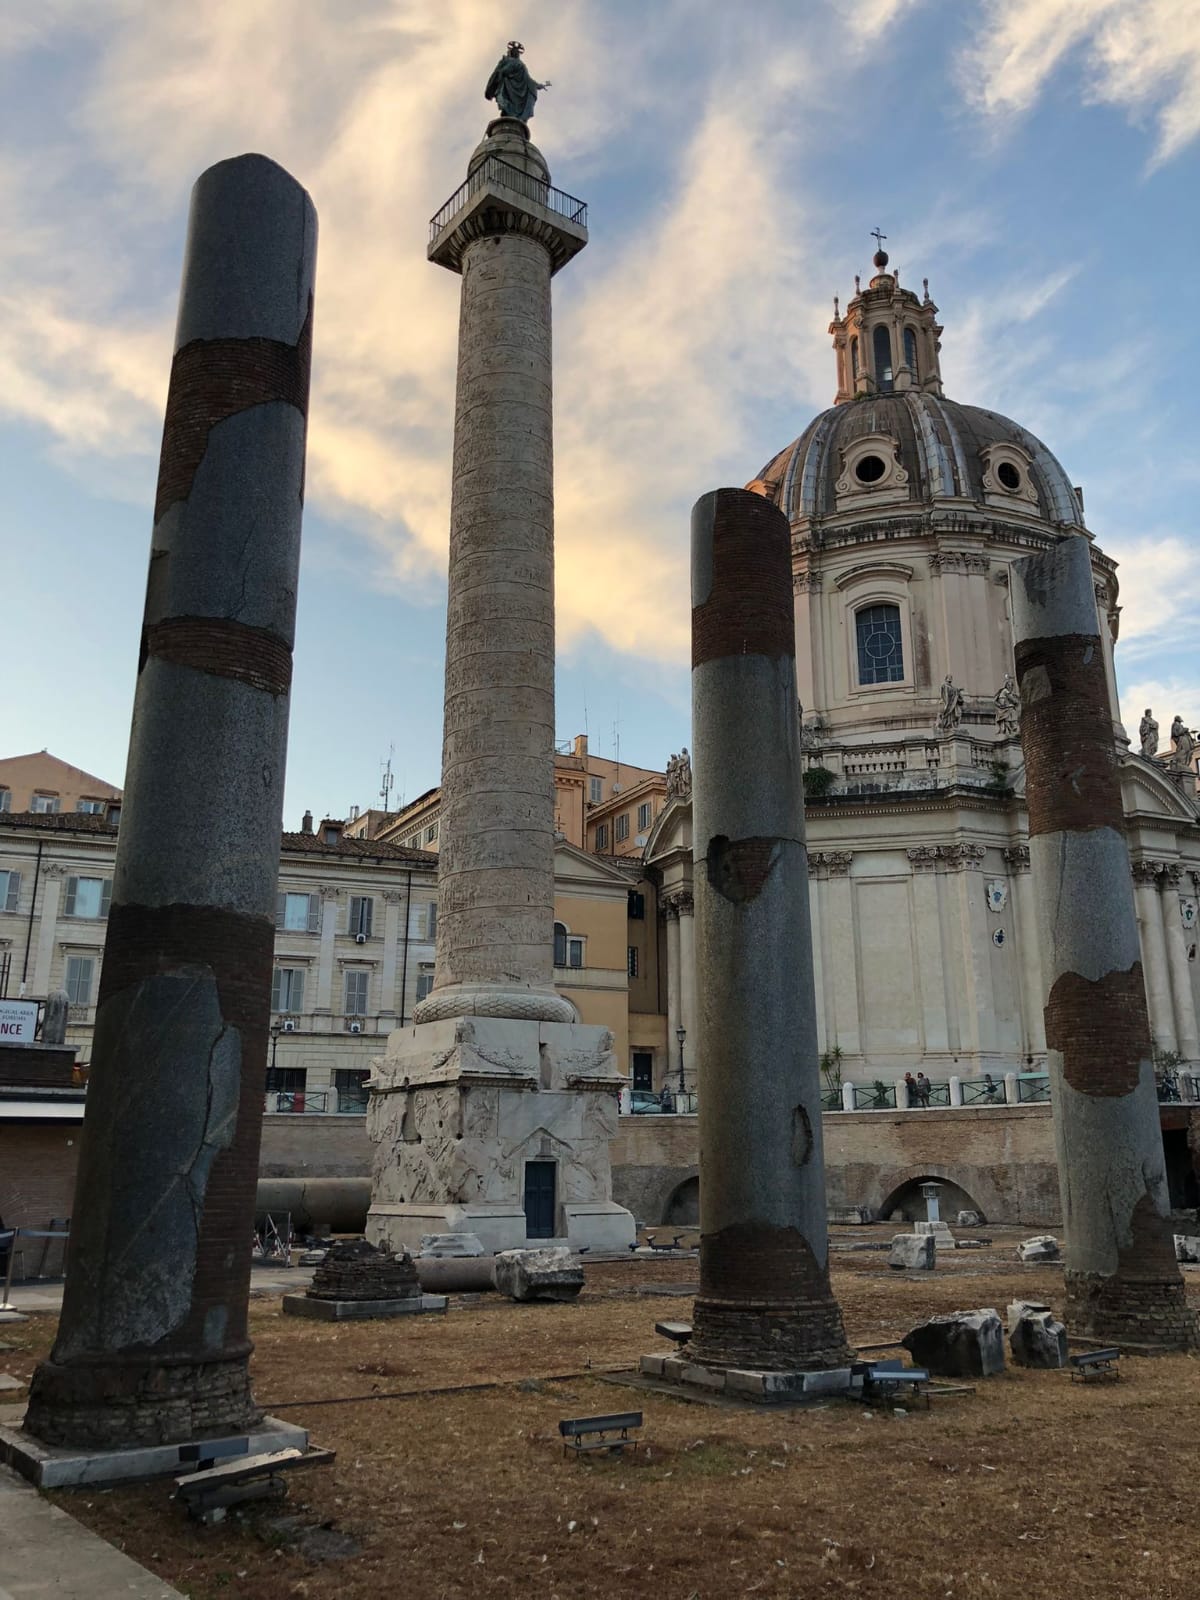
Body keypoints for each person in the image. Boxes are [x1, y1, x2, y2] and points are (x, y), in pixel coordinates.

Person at [485, 41, 550, 122]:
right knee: (506, 105)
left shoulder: (521, 65)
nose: (515, 53)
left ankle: (516, 119)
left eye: (517, 52)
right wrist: (493, 84)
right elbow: (499, 72)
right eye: (513, 51)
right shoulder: (505, 60)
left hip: (520, 91)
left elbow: (527, 79)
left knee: (518, 110)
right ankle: (507, 116)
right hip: (507, 87)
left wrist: (538, 85)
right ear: (510, 52)